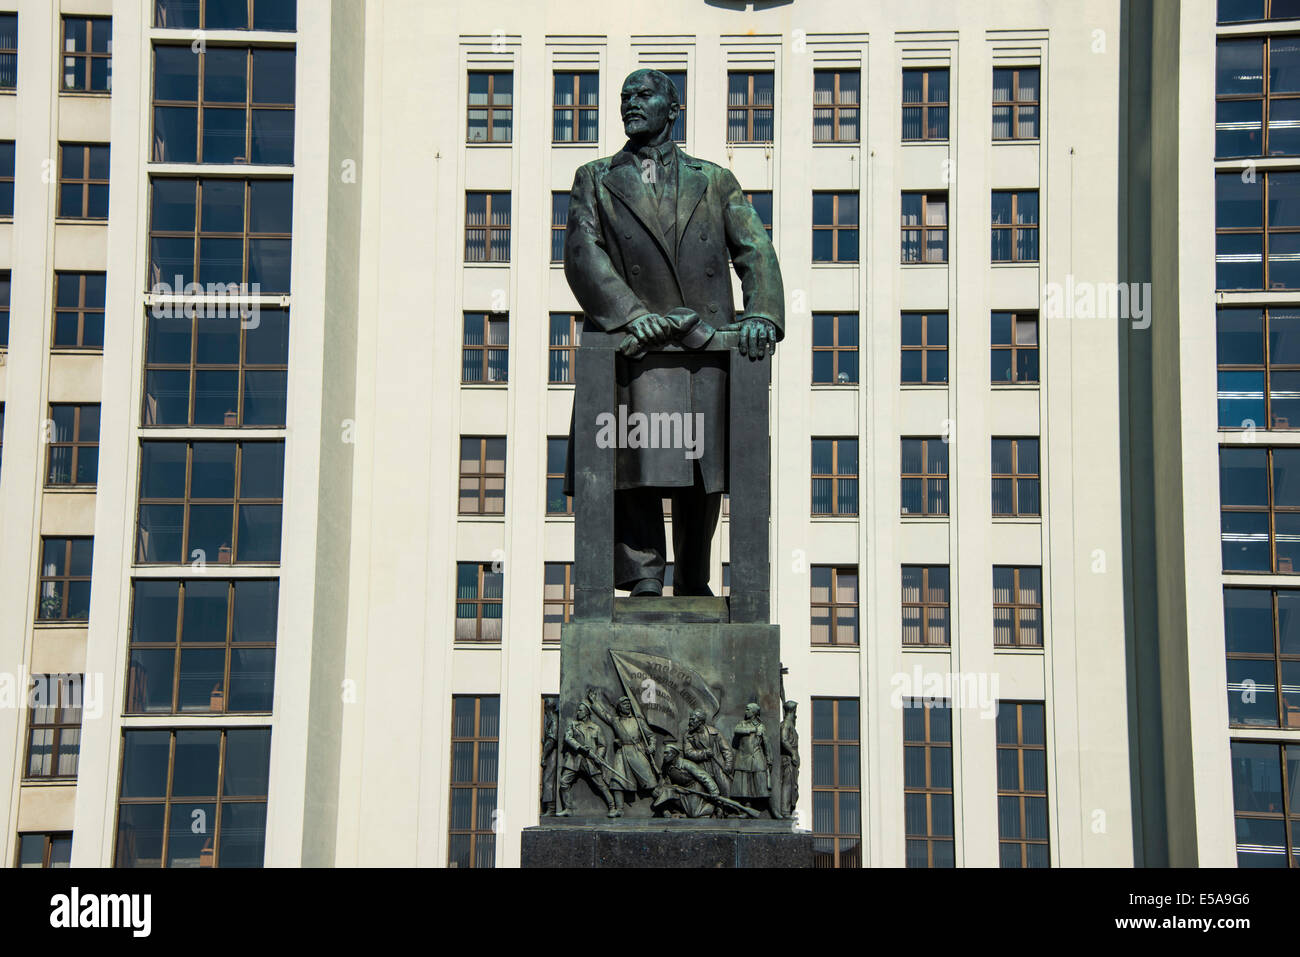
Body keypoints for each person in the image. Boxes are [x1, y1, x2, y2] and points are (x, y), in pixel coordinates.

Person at [563, 68, 785, 597]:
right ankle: (642, 581)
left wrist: (762, 314)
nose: (631, 104)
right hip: (633, 346)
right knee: (630, 465)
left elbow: (755, 249)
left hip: (702, 346)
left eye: (644, 95)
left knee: (702, 472)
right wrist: (632, 313)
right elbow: (582, 253)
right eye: (625, 97)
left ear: (673, 107)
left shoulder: (713, 179)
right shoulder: (595, 177)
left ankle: (693, 579)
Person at [586, 690, 658, 812]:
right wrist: (594, 702)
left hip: (637, 751)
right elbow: (604, 714)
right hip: (623, 752)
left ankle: (664, 808)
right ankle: (619, 809)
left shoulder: (638, 721)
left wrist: (652, 746)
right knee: (618, 780)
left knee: (649, 781)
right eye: (624, 704)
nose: (627, 706)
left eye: (628, 704)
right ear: (619, 708)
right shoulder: (616, 721)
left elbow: (651, 736)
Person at [556, 702, 618, 818]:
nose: (578, 713)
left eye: (580, 710)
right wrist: (579, 747)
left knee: (601, 785)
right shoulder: (574, 725)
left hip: (590, 761)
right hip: (575, 760)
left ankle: (612, 807)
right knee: (564, 782)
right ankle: (567, 808)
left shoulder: (596, 728)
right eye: (578, 710)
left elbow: (602, 745)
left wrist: (598, 756)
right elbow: (568, 737)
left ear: (587, 713)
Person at [730, 702, 772, 812]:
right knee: (745, 786)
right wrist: (752, 730)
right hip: (743, 758)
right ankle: (747, 807)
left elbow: (766, 744)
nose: (746, 711)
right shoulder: (742, 724)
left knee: (760, 783)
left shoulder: (761, 726)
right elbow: (737, 730)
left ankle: (767, 807)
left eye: (748, 709)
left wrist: (769, 759)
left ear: (754, 712)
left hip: (756, 757)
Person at [684, 707, 734, 797]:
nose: (690, 722)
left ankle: (726, 809)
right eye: (689, 719)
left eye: (692, 719)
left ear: (700, 721)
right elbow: (688, 752)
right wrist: (704, 753)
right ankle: (716, 808)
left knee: (726, 791)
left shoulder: (714, 732)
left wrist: (728, 765)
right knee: (707, 794)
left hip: (719, 767)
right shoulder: (688, 736)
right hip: (702, 769)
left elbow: (726, 749)